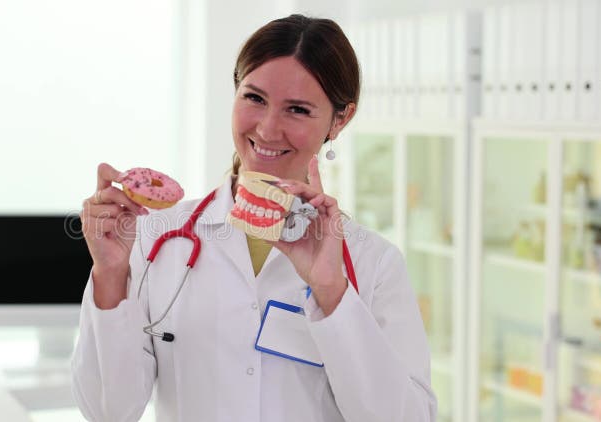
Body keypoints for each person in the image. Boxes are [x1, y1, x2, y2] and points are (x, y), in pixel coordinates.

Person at [72, 14, 437, 422]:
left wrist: (332, 293)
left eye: (297, 109)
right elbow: (107, 412)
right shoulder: (156, 238)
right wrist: (109, 275)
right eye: (254, 98)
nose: (267, 129)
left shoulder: (374, 264)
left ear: (340, 119)